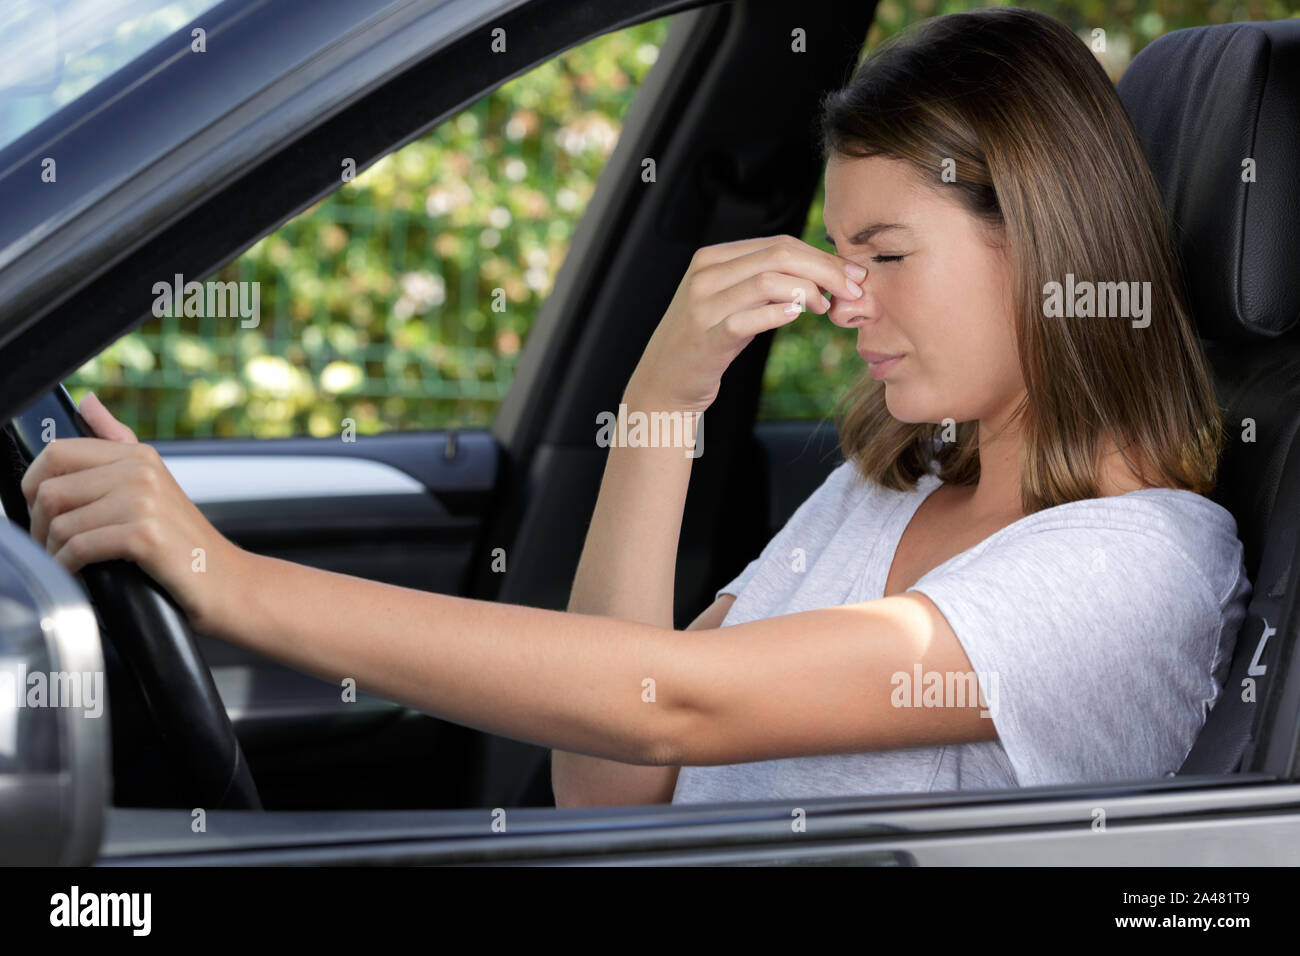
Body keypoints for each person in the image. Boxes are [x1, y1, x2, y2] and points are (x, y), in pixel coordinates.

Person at [21, 7, 1250, 809]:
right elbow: (611, 778)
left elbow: (680, 696)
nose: (845, 297)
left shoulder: (1133, 564)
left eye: (888, 252)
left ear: (1036, 246)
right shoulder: (886, 488)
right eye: (840, 254)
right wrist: (662, 399)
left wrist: (231, 580)